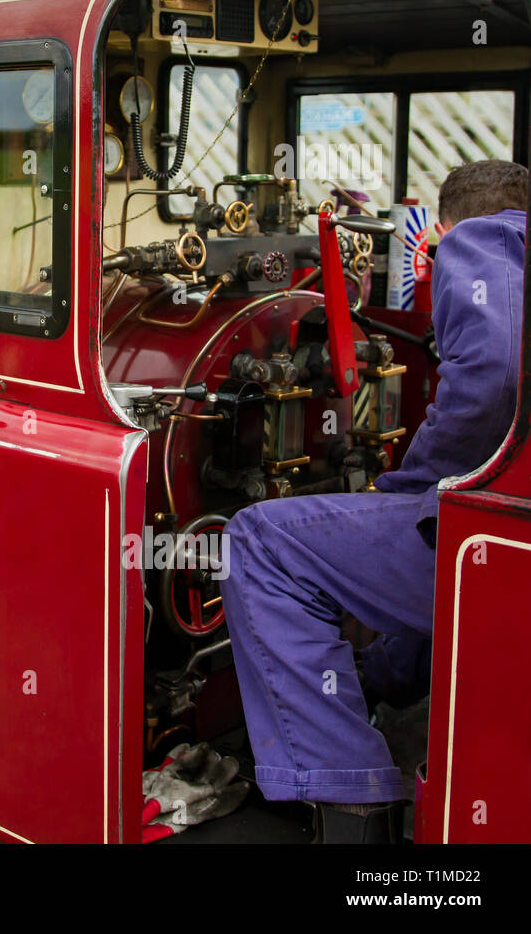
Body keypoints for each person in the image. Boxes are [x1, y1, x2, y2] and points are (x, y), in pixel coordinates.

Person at [220, 159, 527, 843]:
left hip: (509, 542)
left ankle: (352, 804)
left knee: (260, 540)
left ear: (445, 228)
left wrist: (417, 482)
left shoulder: (486, 241)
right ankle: (378, 686)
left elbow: (496, 371)